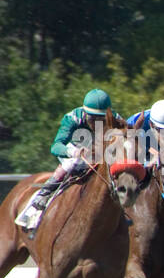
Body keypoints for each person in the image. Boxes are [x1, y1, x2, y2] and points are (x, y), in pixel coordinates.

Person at [21, 88, 118, 221]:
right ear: (85, 113)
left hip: (101, 152)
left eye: (101, 119)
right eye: (92, 118)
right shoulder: (72, 118)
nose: (96, 123)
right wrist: (73, 152)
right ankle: (42, 197)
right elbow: (56, 146)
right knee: (73, 163)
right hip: (75, 151)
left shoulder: (116, 119)